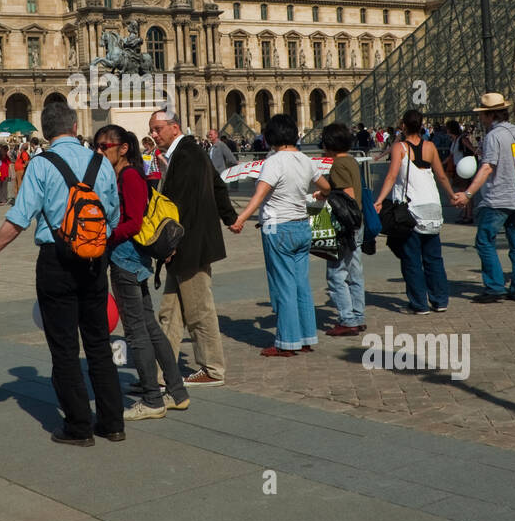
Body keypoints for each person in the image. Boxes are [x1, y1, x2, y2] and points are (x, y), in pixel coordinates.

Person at [0, 102, 123, 444]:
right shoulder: (100, 163)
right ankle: (112, 422)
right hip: (95, 260)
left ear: (45, 131)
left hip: (56, 259)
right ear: (76, 125)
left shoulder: (40, 165)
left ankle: (78, 427)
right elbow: (113, 216)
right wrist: (94, 244)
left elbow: (19, 218)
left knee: (64, 347)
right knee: (98, 343)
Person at [93, 125, 189, 418]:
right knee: (149, 326)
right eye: (96, 146)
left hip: (126, 260)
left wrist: (106, 238)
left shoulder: (130, 176)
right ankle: (177, 392)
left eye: (104, 145)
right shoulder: (123, 175)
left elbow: (133, 223)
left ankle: (151, 400)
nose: (99, 151)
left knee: (137, 332)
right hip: (133, 259)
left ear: (123, 148)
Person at [149, 108, 237, 386]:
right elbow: (219, 186)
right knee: (170, 313)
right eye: (152, 129)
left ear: (174, 127)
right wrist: (231, 218)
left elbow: (180, 206)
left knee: (199, 308)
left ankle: (213, 368)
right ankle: (160, 373)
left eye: (157, 129)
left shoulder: (186, 154)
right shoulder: (191, 151)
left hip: (189, 246)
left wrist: (171, 244)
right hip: (191, 244)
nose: (153, 134)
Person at [231, 114, 328, 354]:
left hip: (278, 227)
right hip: (302, 226)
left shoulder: (274, 162)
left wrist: (241, 218)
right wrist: (319, 197)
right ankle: (306, 337)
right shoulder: (306, 160)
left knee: (283, 285)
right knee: (301, 285)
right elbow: (326, 187)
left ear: (270, 137)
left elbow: (260, 195)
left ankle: (286, 342)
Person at [453, 94, 515, 303]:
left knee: (484, 241)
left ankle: (495, 287)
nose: (481, 119)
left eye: (482, 115)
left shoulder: (494, 136)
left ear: (491, 115)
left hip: (498, 199)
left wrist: (468, 193)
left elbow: (488, 167)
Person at [373, 109, 457, 314]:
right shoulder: (430, 146)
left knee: (411, 259)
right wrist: (452, 195)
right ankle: (440, 300)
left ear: (403, 125)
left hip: (410, 210)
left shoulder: (399, 147)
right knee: (434, 258)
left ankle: (419, 303)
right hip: (432, 207)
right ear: (421, 125)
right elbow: (442, 176)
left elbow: (392, 177)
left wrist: (379, 200)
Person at [320, 123, 366, 336]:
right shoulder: (351, 161)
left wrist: (324, 195)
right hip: (358, 223)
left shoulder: (338, 165)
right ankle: (358, 315)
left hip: (346, 226)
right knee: (354, 272)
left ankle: (347, 320)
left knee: (336, 274)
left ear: (329, 144)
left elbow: (346, 196)